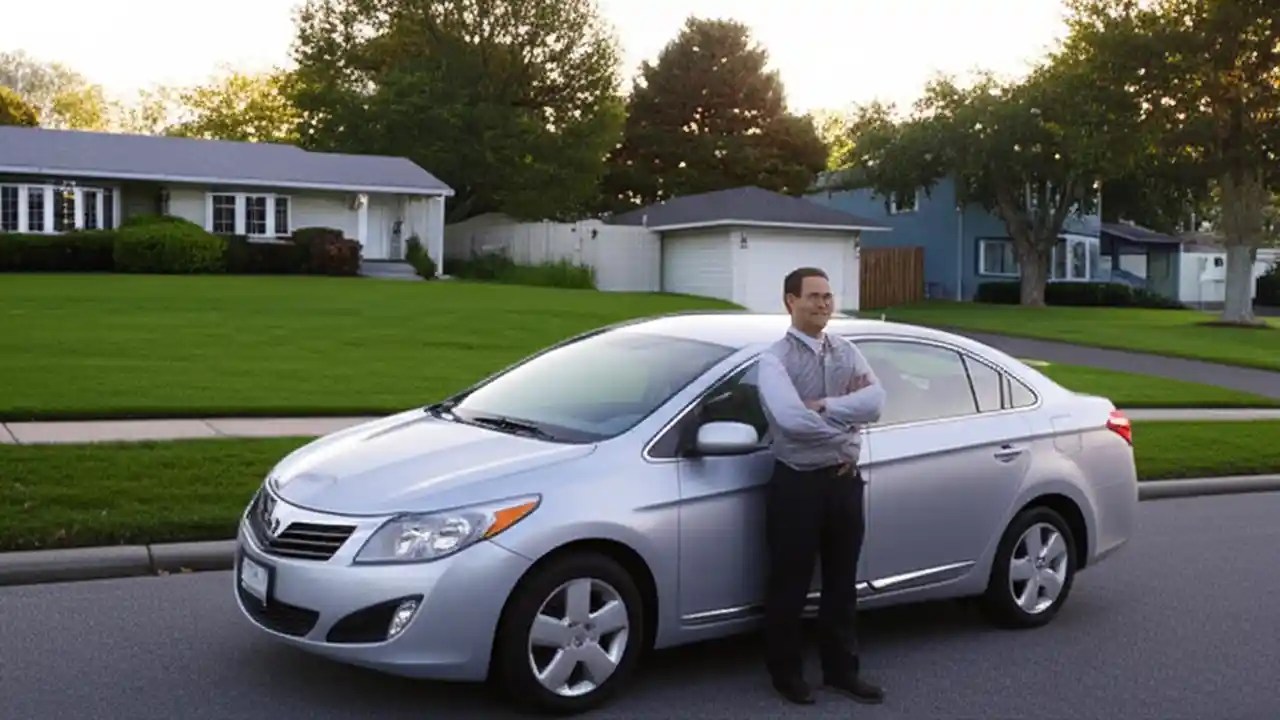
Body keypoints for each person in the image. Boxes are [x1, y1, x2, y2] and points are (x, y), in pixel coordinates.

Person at [755, 266, 886, 706]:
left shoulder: (846, 351)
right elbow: (790, 421)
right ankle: (786, 674)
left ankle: (841, 671)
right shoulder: (775, 360)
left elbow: (876, 402)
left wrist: (828, 405)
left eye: (828, 296)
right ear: (790, 302)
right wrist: (846, 431)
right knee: (789, 583)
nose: (823, 304)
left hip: (844, 484)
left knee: (841, 582)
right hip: (798, 486)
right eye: (813, 296)